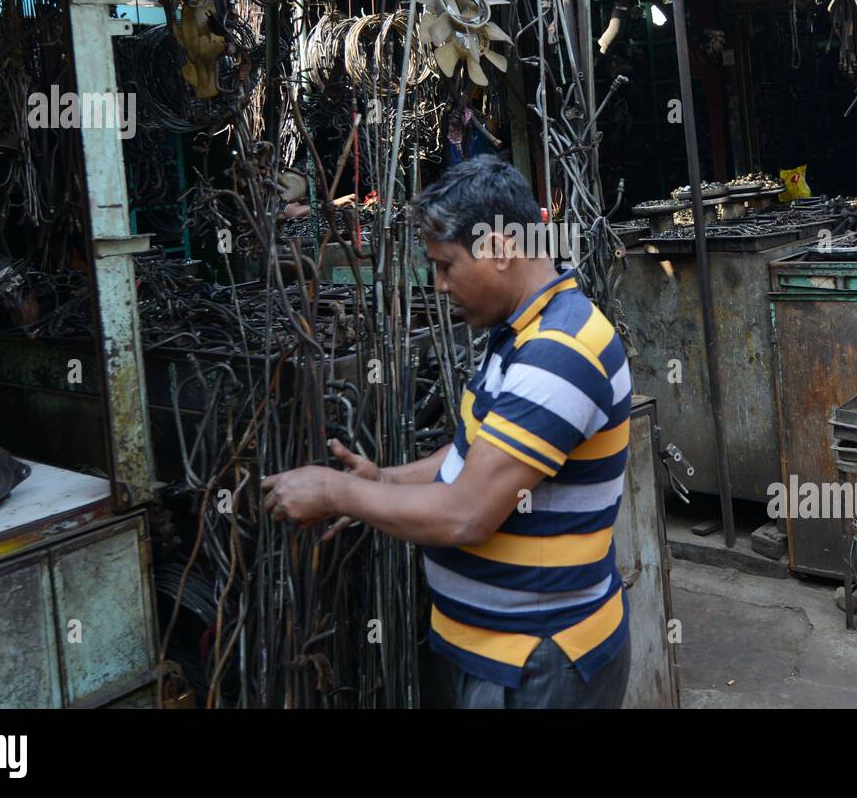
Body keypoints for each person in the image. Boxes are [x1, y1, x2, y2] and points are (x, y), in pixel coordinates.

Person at [262, 154, 632, 708]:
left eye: (445, 265)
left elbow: (467, 512)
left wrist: (335, 490)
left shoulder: (559, 353)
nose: (437, 286)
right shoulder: (523, 335)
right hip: (503, 654)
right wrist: (385, 480)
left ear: (501, 250)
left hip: (539, 661)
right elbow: (471, 455)